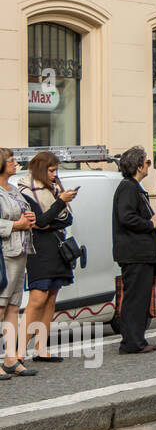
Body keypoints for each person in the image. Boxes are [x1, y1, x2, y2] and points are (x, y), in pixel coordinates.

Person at [16, 150, 78, 362]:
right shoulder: (26, 190)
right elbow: (40, 222)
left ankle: (41, 348)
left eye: (56, 170)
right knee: (37, 298)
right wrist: (59, 203)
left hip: (56, 247)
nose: (54, 174)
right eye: (51, 170)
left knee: (51, 296)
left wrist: (53, 213)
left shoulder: (53, 189)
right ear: (42, 170)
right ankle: (18, 351)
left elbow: (67, 219)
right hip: (39, 249)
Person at [112, 146, 156, 353]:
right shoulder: (128, 188)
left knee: (140, 299)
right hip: (134, 253)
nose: (149, 165)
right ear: (139, 166)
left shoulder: (133, 187)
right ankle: (131, 342)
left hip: (139, 252)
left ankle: (137, 339)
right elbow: (126, 217)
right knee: (135, 299)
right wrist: (150, 223)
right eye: (147, 162)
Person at [0, 149, 39, 378]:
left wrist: (30, 219)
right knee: (2, 306)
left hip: (19, 252)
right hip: (3, 255)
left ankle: (11, 358)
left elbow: (23, 212)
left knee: (13, 306)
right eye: (11, 160)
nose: (16, 163)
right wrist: (16, 225)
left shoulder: (13, 189)